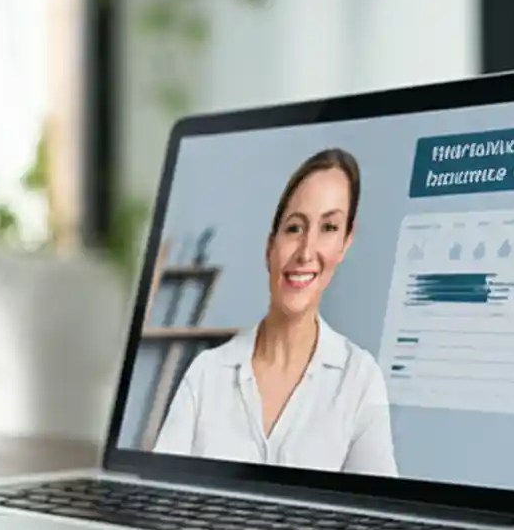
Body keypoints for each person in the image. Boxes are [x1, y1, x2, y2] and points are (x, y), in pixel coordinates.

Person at [152, 149, 397, 475]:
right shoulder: (207, 373)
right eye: (295, 228)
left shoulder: (360, 379)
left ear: (344, 244)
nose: (306, 252)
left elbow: (377, 513)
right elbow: (162, 490)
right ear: (271, 246)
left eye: (328, 227)